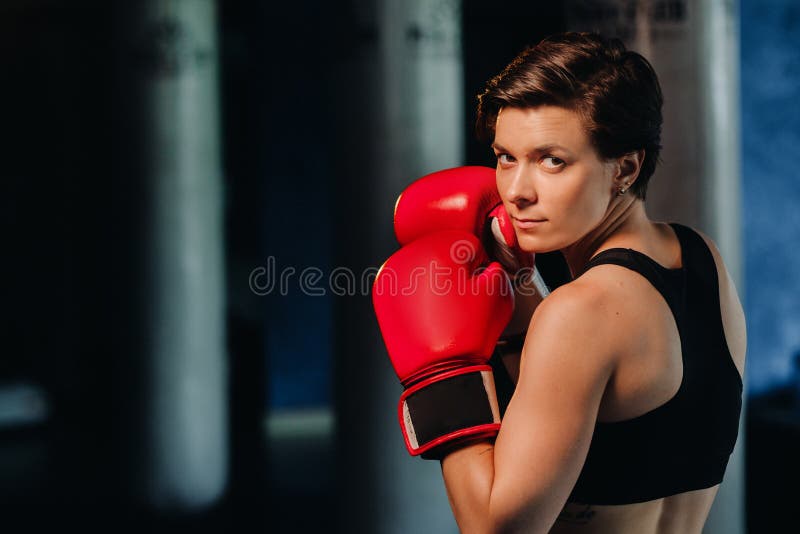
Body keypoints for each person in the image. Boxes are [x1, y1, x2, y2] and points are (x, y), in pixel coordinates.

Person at [372, 32, 745, 533]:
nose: (517, 192)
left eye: (552, 160)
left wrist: (444, 373)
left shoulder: (579, 314)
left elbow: (493, 528)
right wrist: (518, 284)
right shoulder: (700, 256)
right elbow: (599, 404)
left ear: (625, 169)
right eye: (506, 157)